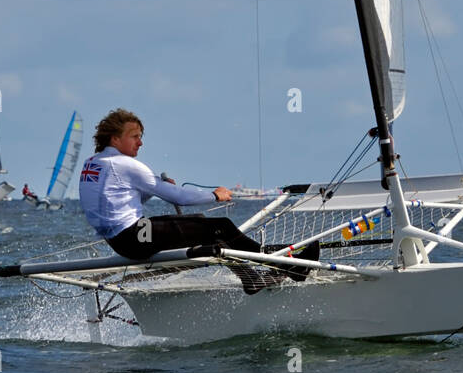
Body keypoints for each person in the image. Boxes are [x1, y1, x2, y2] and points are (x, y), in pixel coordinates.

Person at [78, 109, 316, 288]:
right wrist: (215, 195)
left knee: (205, 228)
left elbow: (118, 204)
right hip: (136, 236)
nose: (140, 142)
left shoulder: (93, 164)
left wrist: (152, 190)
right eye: (134, 136)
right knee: (220, 226)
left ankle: (253, 278)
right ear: (114, 139)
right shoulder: (124, 164)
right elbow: (180, 197)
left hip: (123, 239)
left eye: (140, 136)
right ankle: (289, 265)